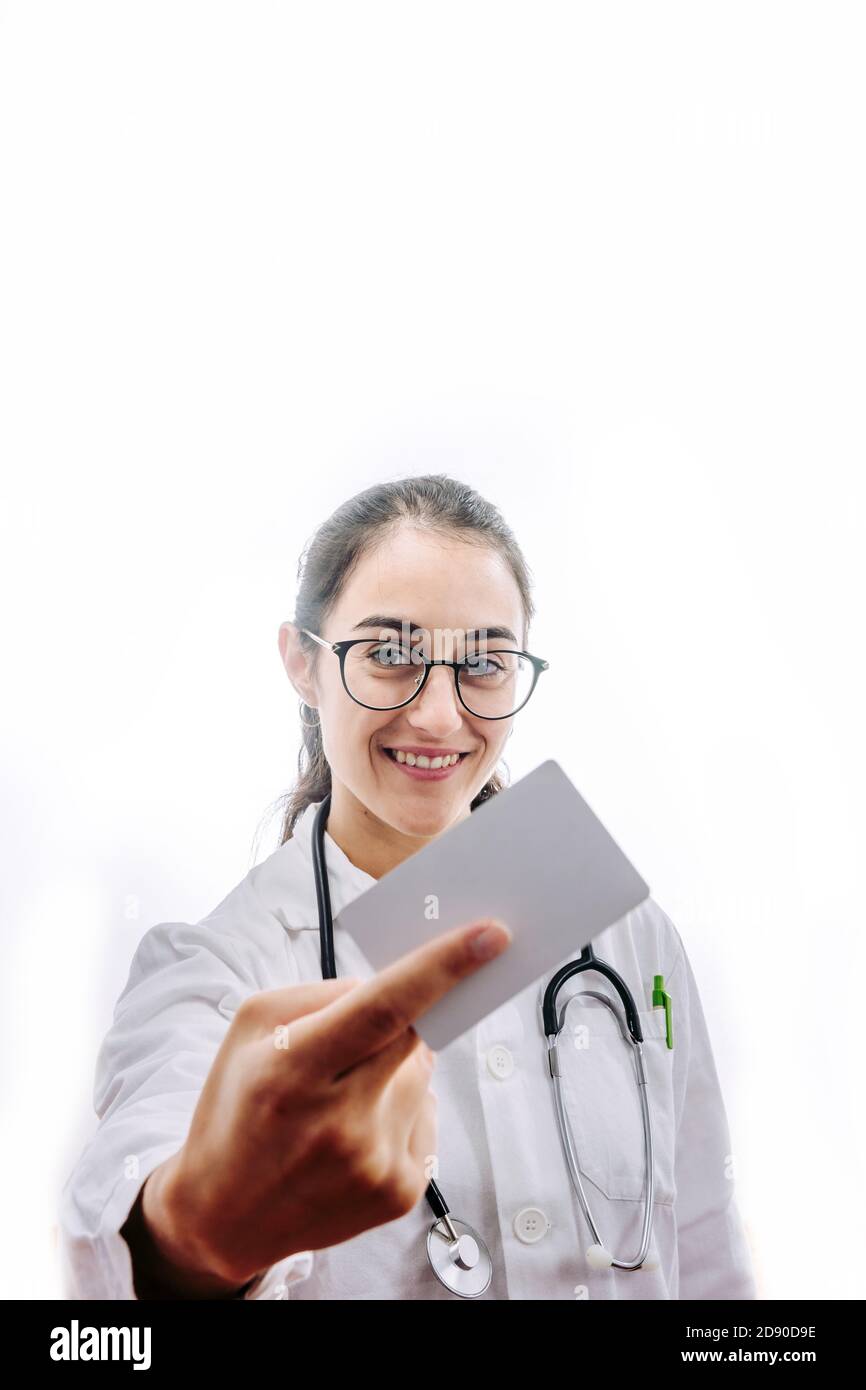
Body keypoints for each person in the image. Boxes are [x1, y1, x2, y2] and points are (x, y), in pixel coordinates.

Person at [58, 474, 757, 1300]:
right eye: (390, 654)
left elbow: (707, 1255)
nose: (437, 716)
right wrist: (198, 1232)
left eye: (486, 664)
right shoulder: (218, 969)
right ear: (304, 666)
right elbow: (136, 1209)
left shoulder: (628, 931)